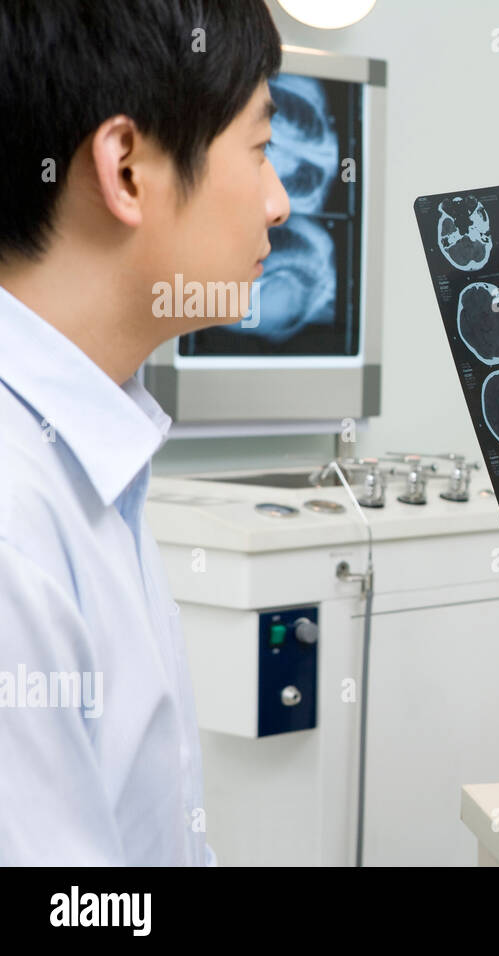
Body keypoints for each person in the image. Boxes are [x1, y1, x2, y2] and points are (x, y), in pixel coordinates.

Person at [0, 0, 289, 863]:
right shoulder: (14, 517)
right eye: (262, 147)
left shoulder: (85, 457)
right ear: (126, 168)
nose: (277, 204)